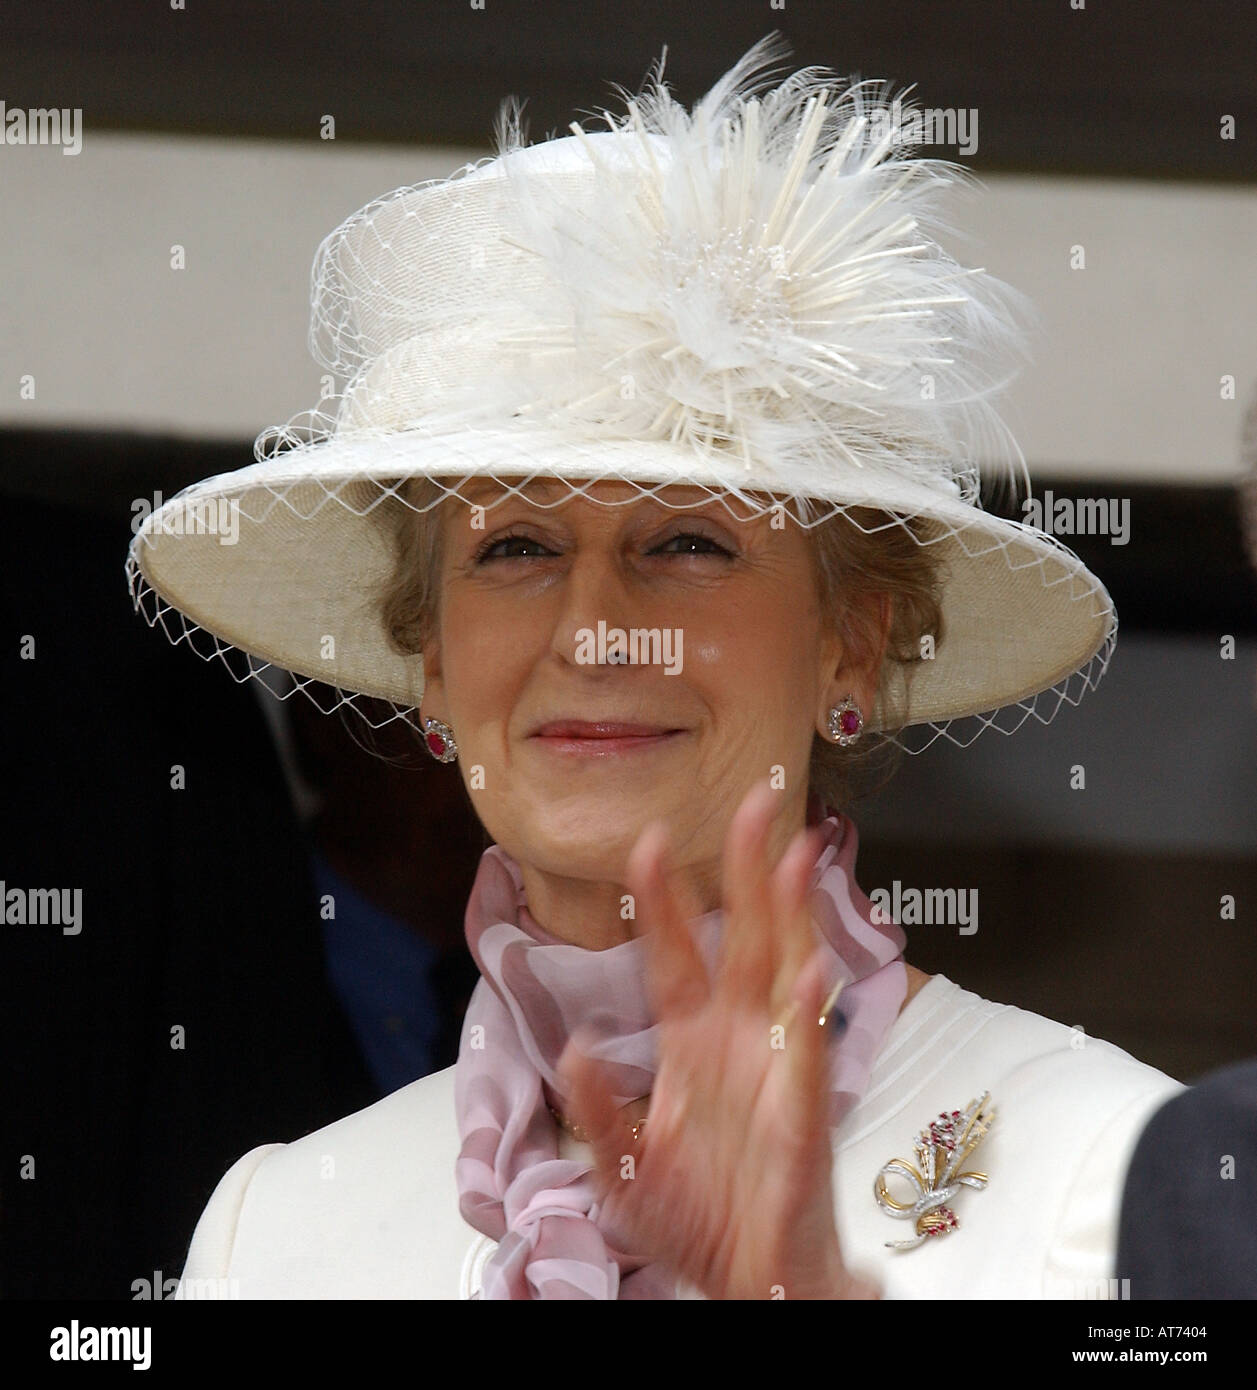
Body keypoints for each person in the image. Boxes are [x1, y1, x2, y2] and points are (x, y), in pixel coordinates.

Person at [128, 35, 1180, 1299]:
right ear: (434, 667)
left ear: (851, 636)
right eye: (514, 546)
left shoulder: (1114, 1180)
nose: (594, 631)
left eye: (688, 542)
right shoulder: (277, 1232)